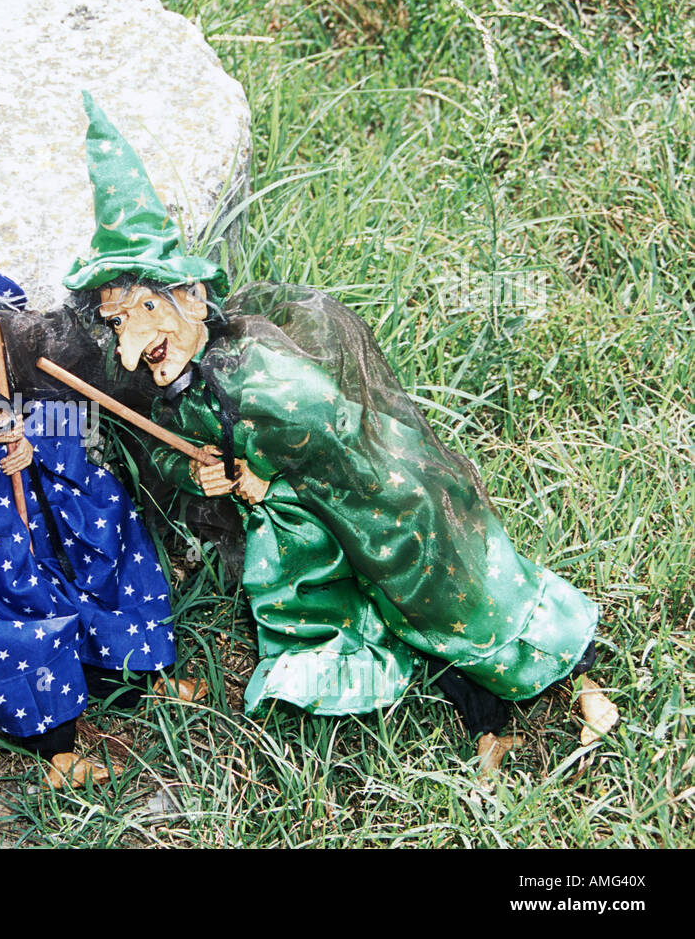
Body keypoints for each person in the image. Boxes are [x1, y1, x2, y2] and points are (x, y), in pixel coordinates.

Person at [62, 92, 618, 769]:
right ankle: (491, 721)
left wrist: (258, 465)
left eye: (148, 309)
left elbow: (323, 424)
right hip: (335, 528)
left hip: (393, 507)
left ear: (194, 298)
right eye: (120, 322)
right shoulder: (182, 385)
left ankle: (579, 683)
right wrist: (202, 469)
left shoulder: (259, 369)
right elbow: (184, 451)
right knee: (395, 617)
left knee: (463, 604)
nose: (133, 342)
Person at [0, 149, 196, 789]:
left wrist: (42, 447)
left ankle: (135, 671)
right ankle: (55, 743)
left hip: (44, 529)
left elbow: (72, 435)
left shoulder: (30, 398)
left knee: (105, 518)